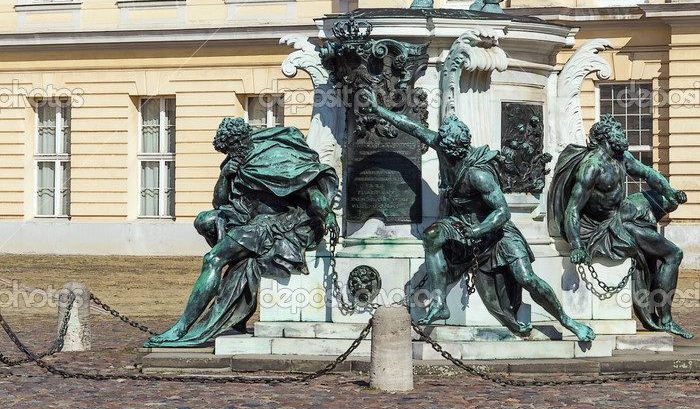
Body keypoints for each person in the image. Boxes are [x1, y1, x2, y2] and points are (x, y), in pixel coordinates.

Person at [363, 90, 595, 341]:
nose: (443, 154)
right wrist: (378, 110)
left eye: (449, 152)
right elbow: (413, 127)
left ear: (459, 151)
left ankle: (567, 321)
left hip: (495, 231)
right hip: (461, 224)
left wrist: (477, 231)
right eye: (442, 147)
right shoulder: (443, 145)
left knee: (526, 278)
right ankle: (440, 303)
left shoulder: (478, 174)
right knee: (432, 235)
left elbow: (502, 212)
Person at [145, 116, 338, 347]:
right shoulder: (237, 161)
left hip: (271, 223)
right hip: (244, 215)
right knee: (204, 221)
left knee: (213, 259)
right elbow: (220, 202)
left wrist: (327, 215)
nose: (231, 153)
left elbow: (310, 192)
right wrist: (225, 175)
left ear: (241, 140)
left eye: (232, 148)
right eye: (227, 150)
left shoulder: (273, 158)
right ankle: (231, 262)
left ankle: (182, 327)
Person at [548, 113, 692, 338]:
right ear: (606, 136)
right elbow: (573, 209)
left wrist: (670, 191)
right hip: (606, 225)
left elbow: (648, 173)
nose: (624, 135)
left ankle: (653, 219)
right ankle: (665, 319)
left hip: (621, 210)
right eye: (619, 131)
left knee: (668, 200)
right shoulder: (592, 166)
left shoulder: (620, 157)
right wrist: (576, 246)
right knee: (673, 253)